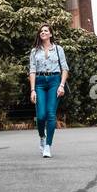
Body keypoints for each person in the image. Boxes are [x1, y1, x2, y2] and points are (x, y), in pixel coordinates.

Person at [29, 24, 69, 158]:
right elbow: (32, 71)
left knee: (51, 114)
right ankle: (42, 136)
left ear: (50, 34)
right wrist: (32, 90)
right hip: (40, 83)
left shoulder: (58, 49)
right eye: (41, 31)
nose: (43, 32)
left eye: (46, 31)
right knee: (41, 116)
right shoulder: (34, 51)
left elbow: (65, 68)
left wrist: (61, 85)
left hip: (54, 81)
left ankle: (48, 146)